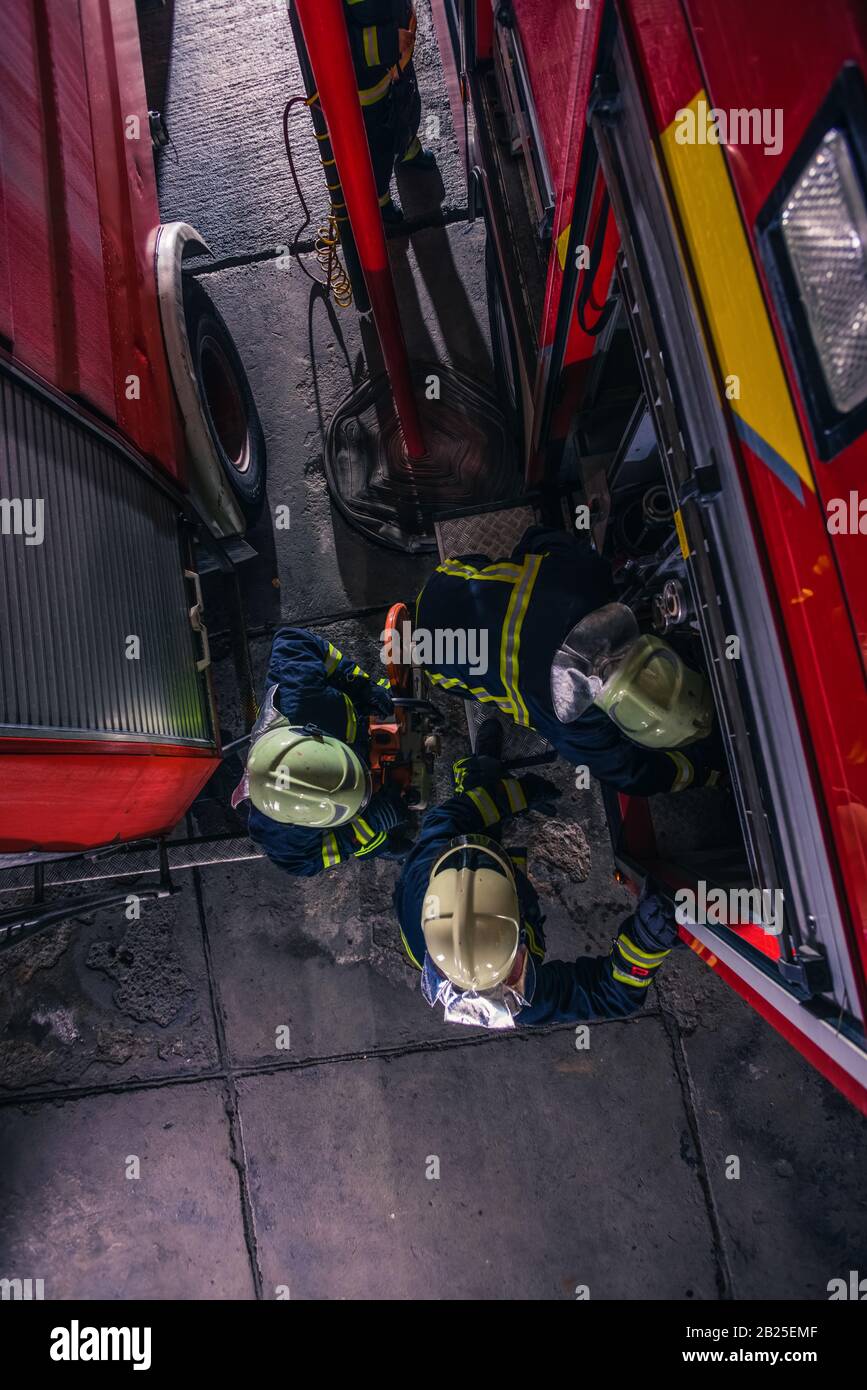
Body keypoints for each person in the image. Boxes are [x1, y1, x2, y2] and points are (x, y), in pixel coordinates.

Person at [393, 720, 681, 1028]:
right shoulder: (521, 1000)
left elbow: (460, 813)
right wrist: (644, 945)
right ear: (516, 962)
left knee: (481, 794)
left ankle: (484, 770)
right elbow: (608, 995)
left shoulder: (432, 856)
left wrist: (520, 793)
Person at [414, 524, 724, 796]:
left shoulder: (587, 581)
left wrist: (528, 571)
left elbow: (538, 536)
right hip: (436, 653)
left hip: (444, 582)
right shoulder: (573, 725)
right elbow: (630, 774)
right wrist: (699, 772)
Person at [231, 628, 408, 875]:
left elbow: (293, 637)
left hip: (342, 720)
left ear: (316, 735)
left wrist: (361, 686)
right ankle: (375, 839)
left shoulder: (298, 692)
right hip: (351, 811)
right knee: (383, 842)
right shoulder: (279, 831)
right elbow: (301, 864)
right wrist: (368, 825)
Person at [343, 0, 437, 224]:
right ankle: (380, 199)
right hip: (370, 85)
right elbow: (340, 43)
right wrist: (389, 41)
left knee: (408, 107)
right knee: (379, 147)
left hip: (400, 60)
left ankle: (408, 147)